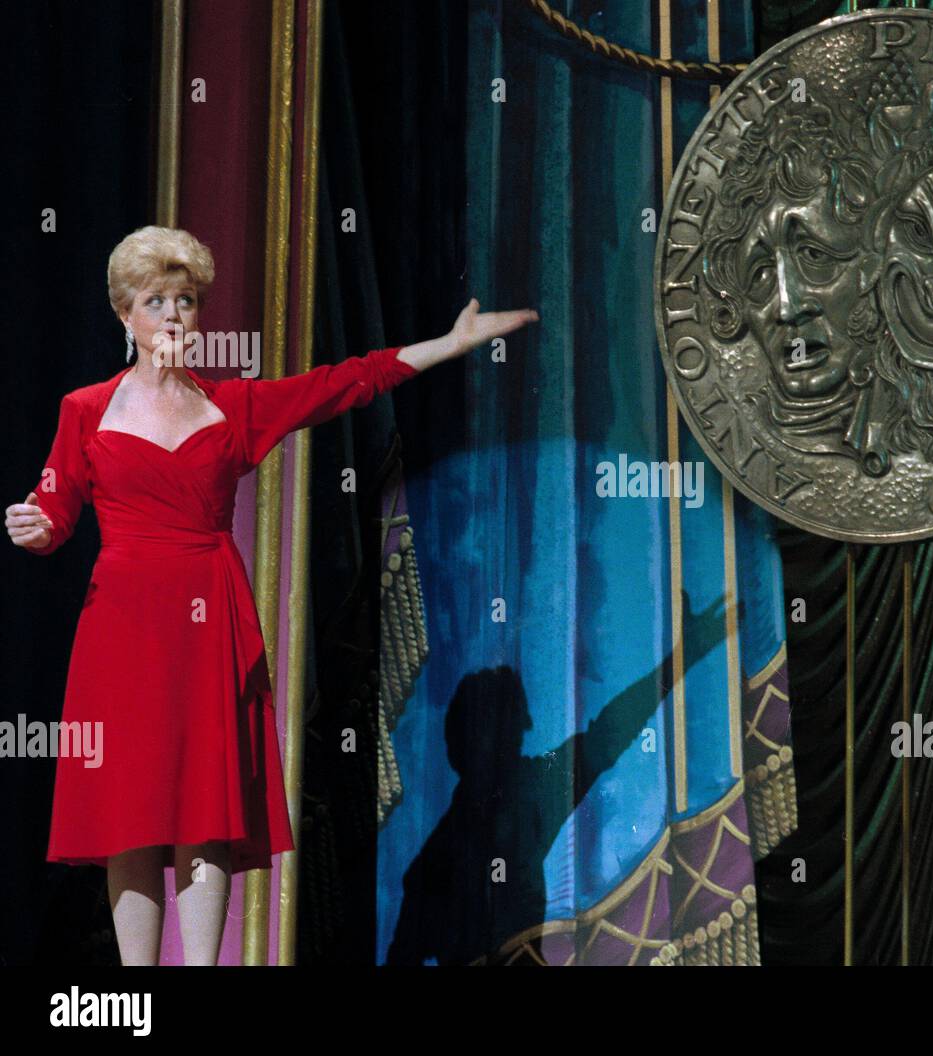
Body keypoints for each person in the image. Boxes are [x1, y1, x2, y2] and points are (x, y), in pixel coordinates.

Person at [5, 225, 538, 965]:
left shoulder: (234, 408)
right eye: (155, 300)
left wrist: (448, 344)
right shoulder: (85, 410)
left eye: (185, 301)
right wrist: (32, 525)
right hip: (121, 632)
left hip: (207, 629)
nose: (172, 316)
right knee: (127, 818)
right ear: (124, 315)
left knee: (202, 816)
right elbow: (54, 511)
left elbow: (342, 383)